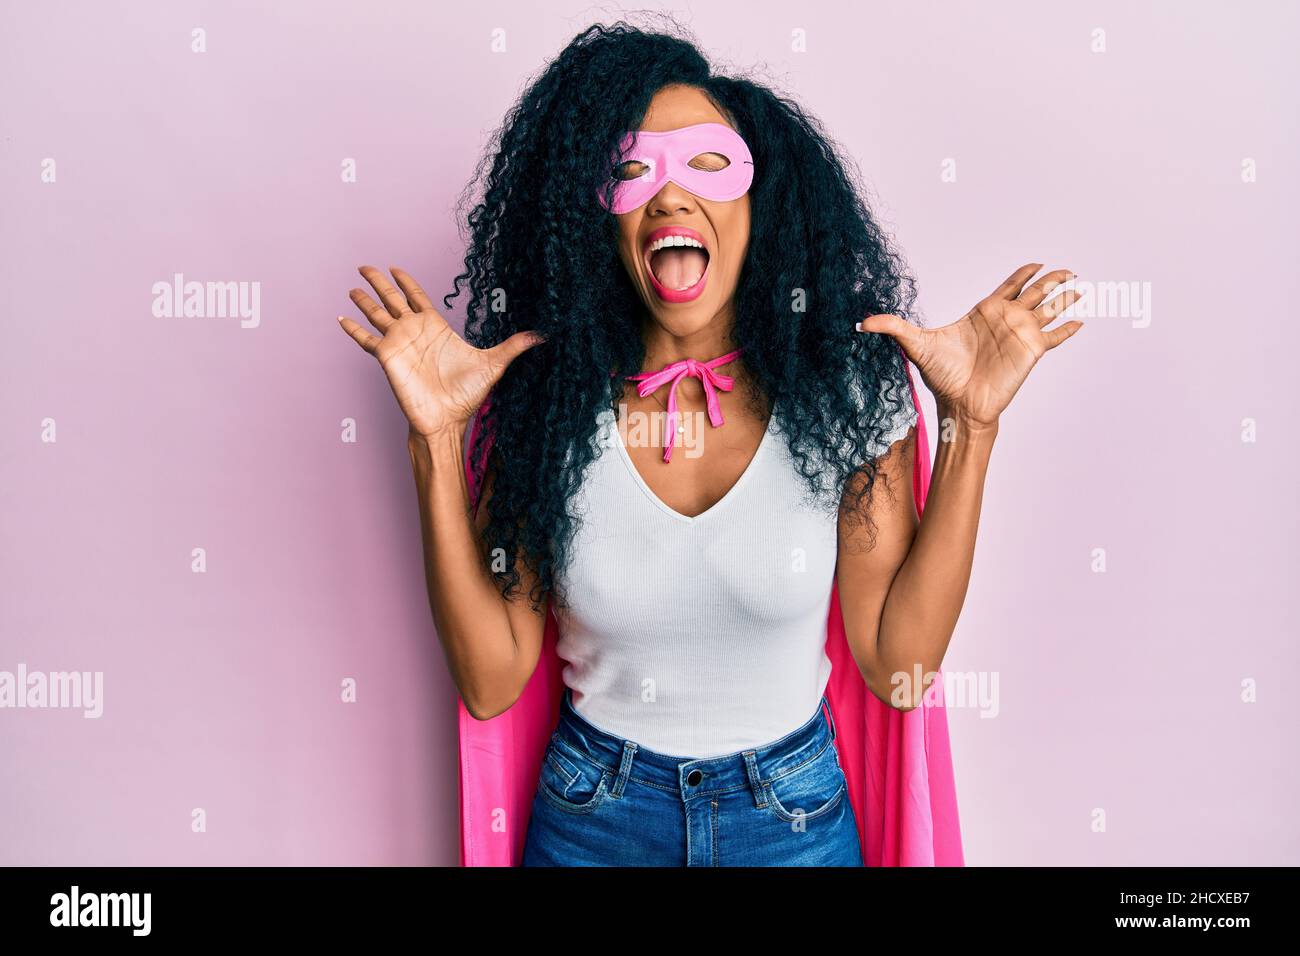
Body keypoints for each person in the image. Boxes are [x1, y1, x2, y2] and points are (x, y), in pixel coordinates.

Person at [336, 22, 1083, 866]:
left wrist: (971, 426)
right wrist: (435, 444)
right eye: (630, 170)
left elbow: (897, 660)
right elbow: (491, 677)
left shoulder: (847, 393)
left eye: (707, 164)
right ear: (594, 217)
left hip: (793, 820)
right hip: (592, 819)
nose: (670, 197)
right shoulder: (547, 405)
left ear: (763, 204)